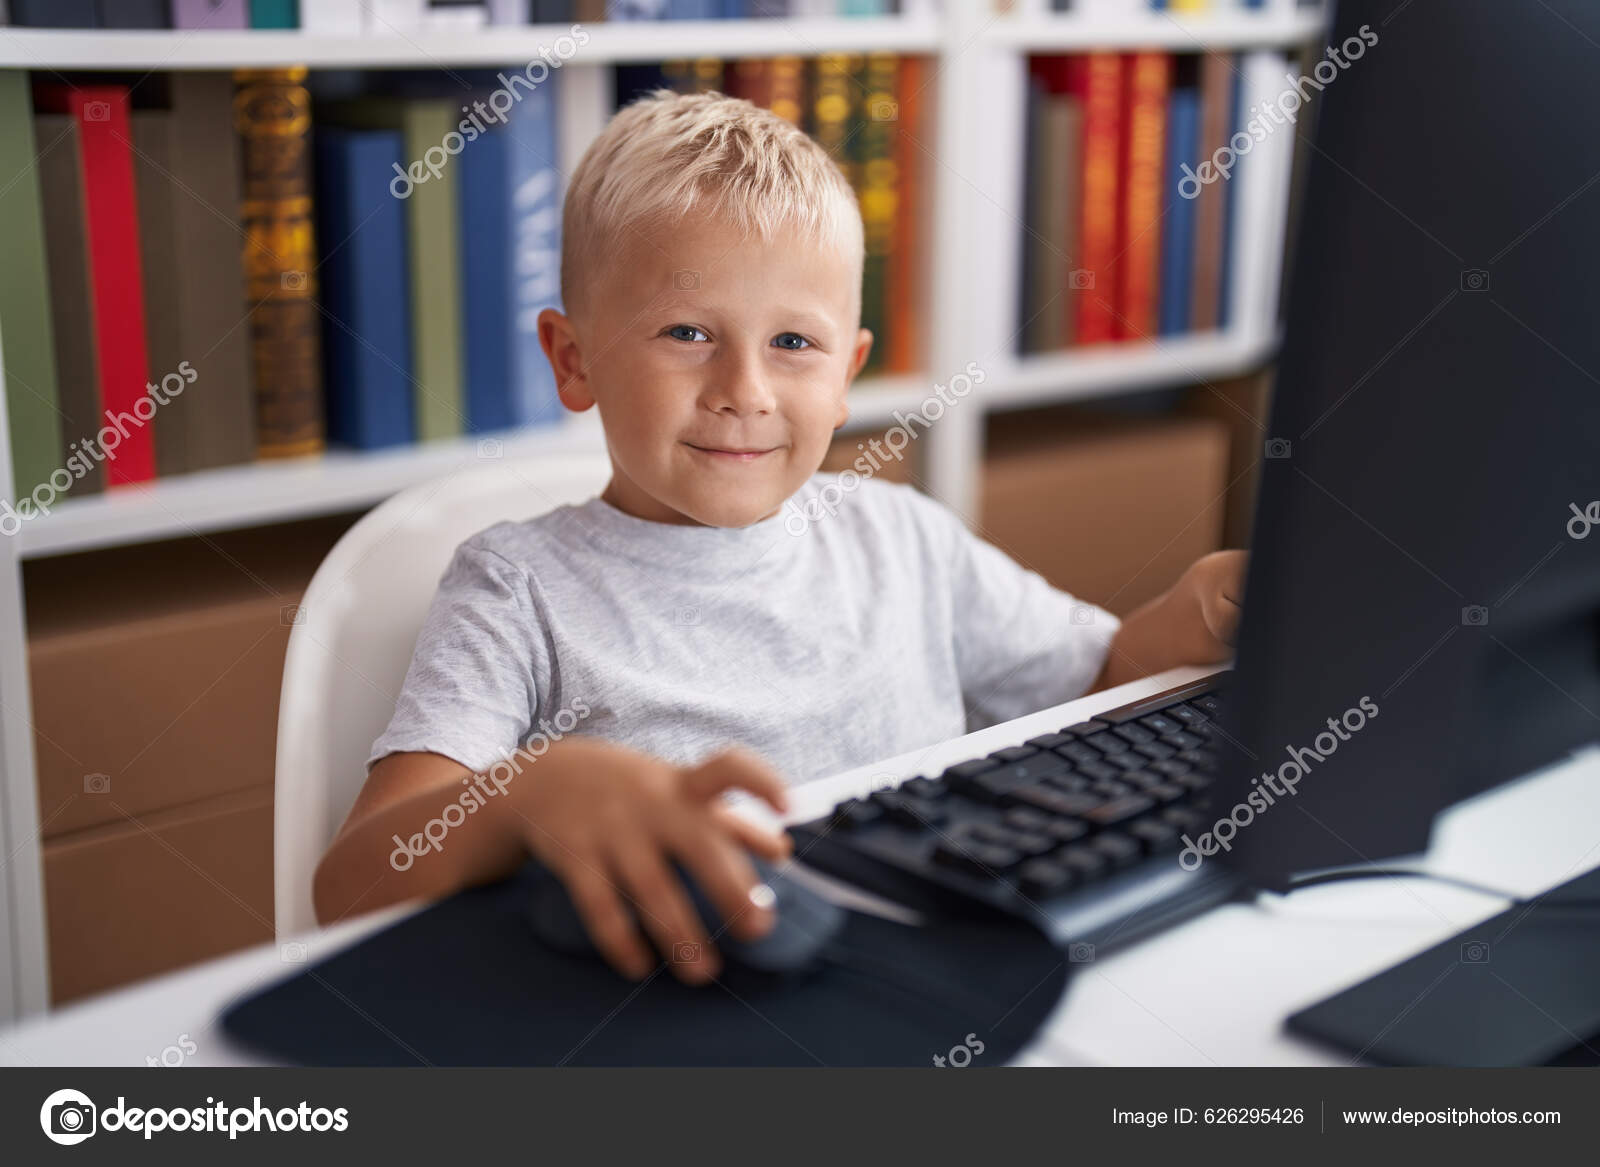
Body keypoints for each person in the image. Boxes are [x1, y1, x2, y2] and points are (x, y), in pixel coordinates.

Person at [313, 90, 1245, 985]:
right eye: (687, 331)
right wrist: (529, 793)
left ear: (848, 374)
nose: (745, 391)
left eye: (794, 344)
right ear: (573, 358)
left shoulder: (904, 539)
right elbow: (350, 888)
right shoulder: (516, 588)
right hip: (664, 1015)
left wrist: (1198, 609)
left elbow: (1099, 680)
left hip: (920, 981)